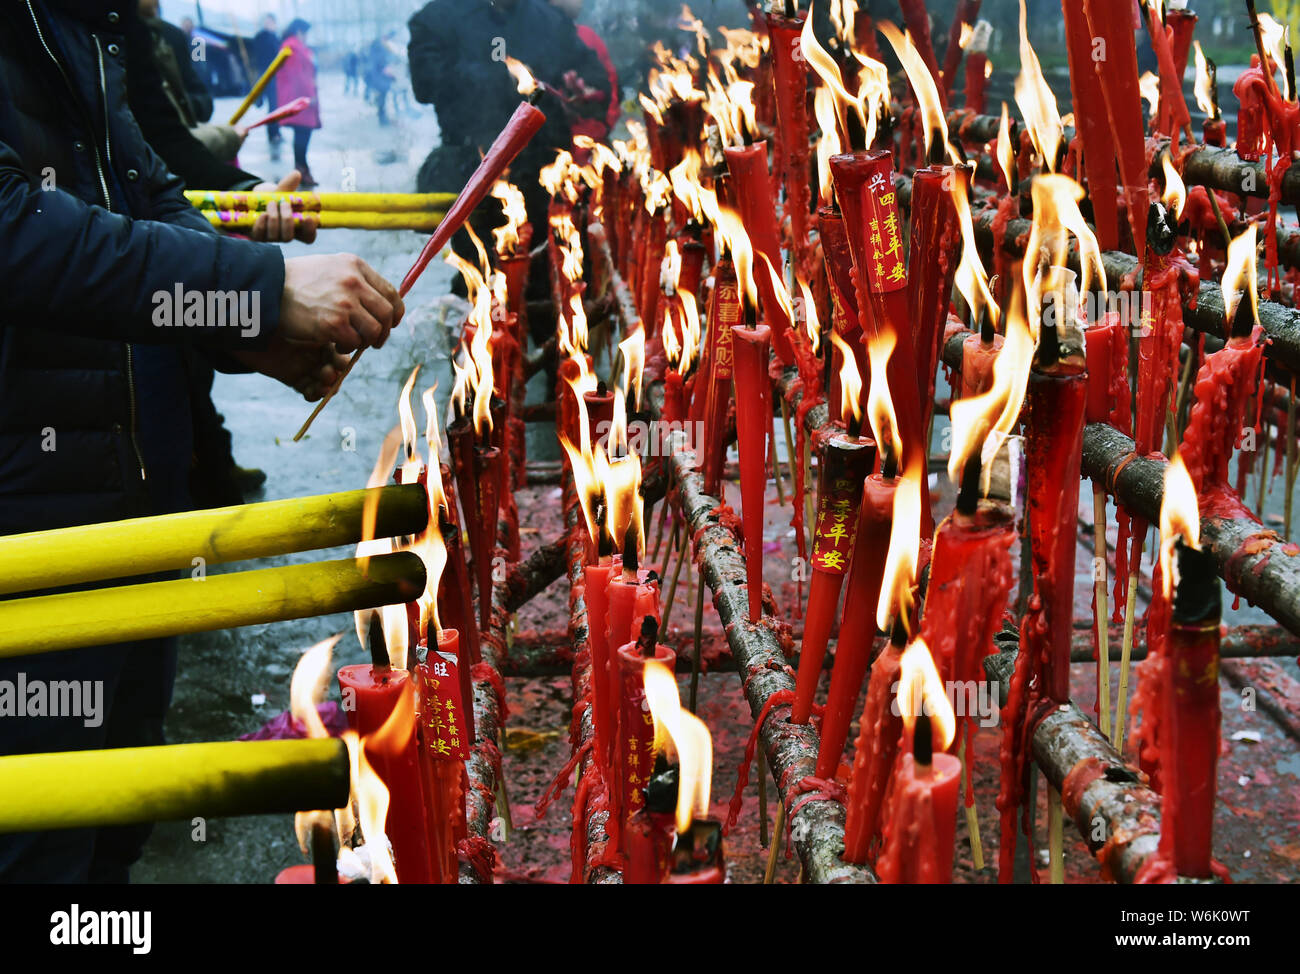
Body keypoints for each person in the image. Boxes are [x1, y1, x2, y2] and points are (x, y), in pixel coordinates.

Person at [0, 2, 404, 882]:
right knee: (36, 837)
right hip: (22, 522)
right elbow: (16, 234)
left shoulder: (72, 23)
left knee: (117, 815)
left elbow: (145, 194)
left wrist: (241, 326)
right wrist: (261, 289)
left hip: (127, 500)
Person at [408, 0, 610, 307]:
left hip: (545, 172)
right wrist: (503, 77)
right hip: (474, 171)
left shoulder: (548, 18)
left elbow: (592, 72)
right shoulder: (437, 18)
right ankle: (479, 341)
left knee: (548, 279)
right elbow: (425, 85)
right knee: (481, 279)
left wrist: (584, 86)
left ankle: (549, 345)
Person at [549, 0, 619, 147]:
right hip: (554, 147)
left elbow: (611, 83)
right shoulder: (534, 40)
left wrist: (604, 126)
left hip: (594, 141)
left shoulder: (587, 35)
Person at [277, 18, 320, 188]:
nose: (307, 37)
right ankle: (301, 171)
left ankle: (302, 170)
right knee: (302, 135)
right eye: (306, 33)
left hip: (300, 99)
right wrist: (309, 97)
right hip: (301, 101)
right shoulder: (293, 47)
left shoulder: (295, 46)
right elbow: (298, 76)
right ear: (299, 31)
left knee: (302, 135)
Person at [251, 14, 284, 159]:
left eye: (271, 22)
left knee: (275, 106)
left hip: (275, 75)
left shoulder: (275, 37)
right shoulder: (262, 37)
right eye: (268, 22)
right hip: (266, 74)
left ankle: (275, 132)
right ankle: (273, 133)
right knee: (272, 106)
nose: (269, 24)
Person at [366, 32, 397, 126]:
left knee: (381, 98)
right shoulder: (379, 50)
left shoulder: (375, 50)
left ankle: (382, 117)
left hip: (377, 78)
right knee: (381, 99)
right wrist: (391, 76)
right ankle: (382, 119)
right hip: (380, 79)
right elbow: (382, 66)